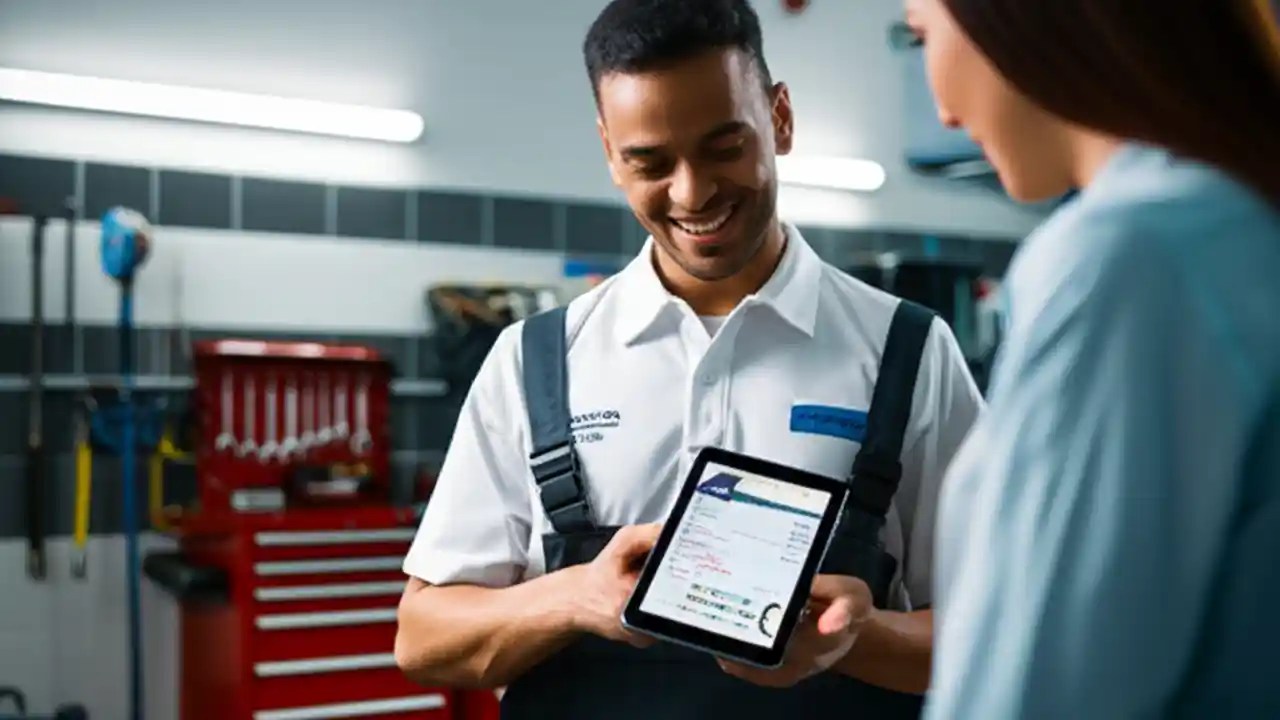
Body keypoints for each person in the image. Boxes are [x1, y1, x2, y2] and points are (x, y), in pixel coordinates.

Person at [395, 0, 984, 718]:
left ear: (780, 119)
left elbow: (995, 627)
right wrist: (574, 596)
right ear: (610, 152)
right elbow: (423, 636)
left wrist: (853, 640)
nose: (692, 192)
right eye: (650, 162)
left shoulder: (909, 352)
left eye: (724, 147)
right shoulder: (534, 361)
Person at [899, 0, 1280, 717]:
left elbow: (1034, 694)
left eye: (920, 35)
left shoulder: (1128, 257)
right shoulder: (1233, 223)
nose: (942, 110)